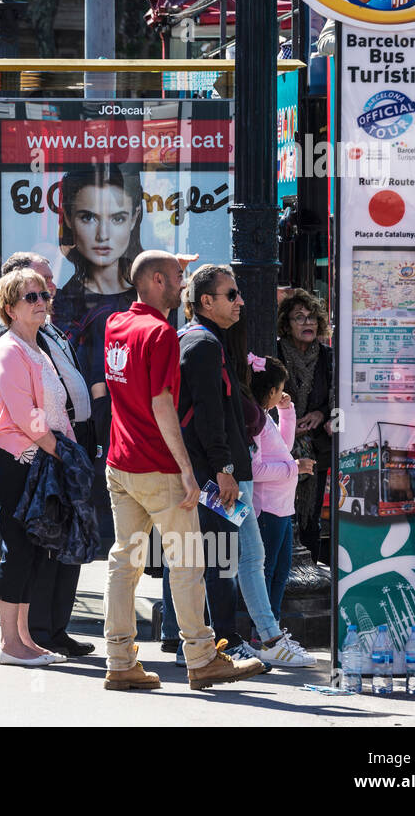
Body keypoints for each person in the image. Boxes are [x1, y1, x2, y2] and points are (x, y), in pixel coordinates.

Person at [101, 250, 264, 690]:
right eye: (177, 276)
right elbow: (161, 405)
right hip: (158, 466)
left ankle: (119, 661)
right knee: (188, 563)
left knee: (125, 562)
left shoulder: (116, 326)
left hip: (120, 464)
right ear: (157, 281)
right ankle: (202, 656)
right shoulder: (160, 334)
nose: (184, 283)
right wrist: (188, 471)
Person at [0, 252, 96, 657]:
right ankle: (10, 642)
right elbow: (26, 416)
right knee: (18, 546)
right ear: (9, 308)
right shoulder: (9, 349)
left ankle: (25, 638)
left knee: (35, 546)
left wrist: (63, 449)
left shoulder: (38, 346)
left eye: (42, 295)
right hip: (18, 458)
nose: (40, 302)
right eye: (29, 297)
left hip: (44, 456)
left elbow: (55, 408)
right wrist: (64, 454)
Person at [175, 263, 259, 663]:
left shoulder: (200, 340)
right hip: (213, 476)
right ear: (205, 301)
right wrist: (225, 472)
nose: (240, 300)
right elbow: (209, 415)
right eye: (232, 294)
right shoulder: (203, 344)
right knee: (222, 556)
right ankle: (223, 639)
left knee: (199, 555)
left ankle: (182, 641)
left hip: (204, 472)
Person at [248, 354, 317, 666]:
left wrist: (286, 410)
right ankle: (264, 635)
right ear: (270, 390)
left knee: (278, 573)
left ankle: (271, 630)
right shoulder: (256, 423)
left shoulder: (265, 418)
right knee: (268, 572)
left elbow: (283, 446)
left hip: (281, 509)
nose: (282, 393)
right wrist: (294, 468)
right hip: (267, 509)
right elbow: (257, 469)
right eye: (280, 390)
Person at [50, 169, 144, 385]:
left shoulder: (148, 296)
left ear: (134, 218)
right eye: (88, 217)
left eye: (118, 218)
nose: (103, 235)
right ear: (69, 218)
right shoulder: (60, 305)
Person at [275, 289, 333, 563]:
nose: (308, 323)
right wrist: (286, 424)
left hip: (316, 449)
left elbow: (336, 399)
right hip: (279, 450)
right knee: (282, 515)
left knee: (311, 519)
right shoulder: (273, 353)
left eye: (311, 317)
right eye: (299, 318)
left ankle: (310, 564)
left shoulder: (328, 357)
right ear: (286, 324)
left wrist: (321, 415)